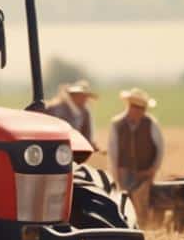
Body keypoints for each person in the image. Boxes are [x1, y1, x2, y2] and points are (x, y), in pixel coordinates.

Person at [107, 88, 164, 225]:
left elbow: (160, 148)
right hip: (124, 172)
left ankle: (144, 227)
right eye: (138, 107)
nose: (141, 111)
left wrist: (153, 169)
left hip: (144, 173)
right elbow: (113, 152)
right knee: (125, 203)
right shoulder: (117, 124)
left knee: (142, 203)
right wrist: (116, 175)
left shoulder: (151, 123)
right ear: (130, 106)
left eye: (142, 108)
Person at [46, 79, 98, 148]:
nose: (85, 99)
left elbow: (86, 134)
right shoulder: (56, 108)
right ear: (73, 95)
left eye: (86, 96)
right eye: (82, 96)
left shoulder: (84, 112)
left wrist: (91, 144)